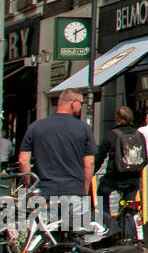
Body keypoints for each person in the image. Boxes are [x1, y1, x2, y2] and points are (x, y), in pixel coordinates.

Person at [17, 89, 96, 231]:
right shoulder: (84, 129)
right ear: (73, 103)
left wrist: (30, 185)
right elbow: (89, 164)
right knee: (78, 240)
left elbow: (23, 160)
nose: (81, 107)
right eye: (81, 103)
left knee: (45, 240)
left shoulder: (36, 127)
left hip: (45, 194)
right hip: (74, 192)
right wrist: (83, 189)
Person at [95, 105, 148, 222]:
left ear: (117, 118)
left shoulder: (111, 135)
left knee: (101, 193)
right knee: (129, 205)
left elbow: (99, 158)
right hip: (133, 178)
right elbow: (145, 159)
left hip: (114, 177)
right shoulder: (139, 135)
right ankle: (129, 229)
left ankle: (106, 222)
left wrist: (92, 172)